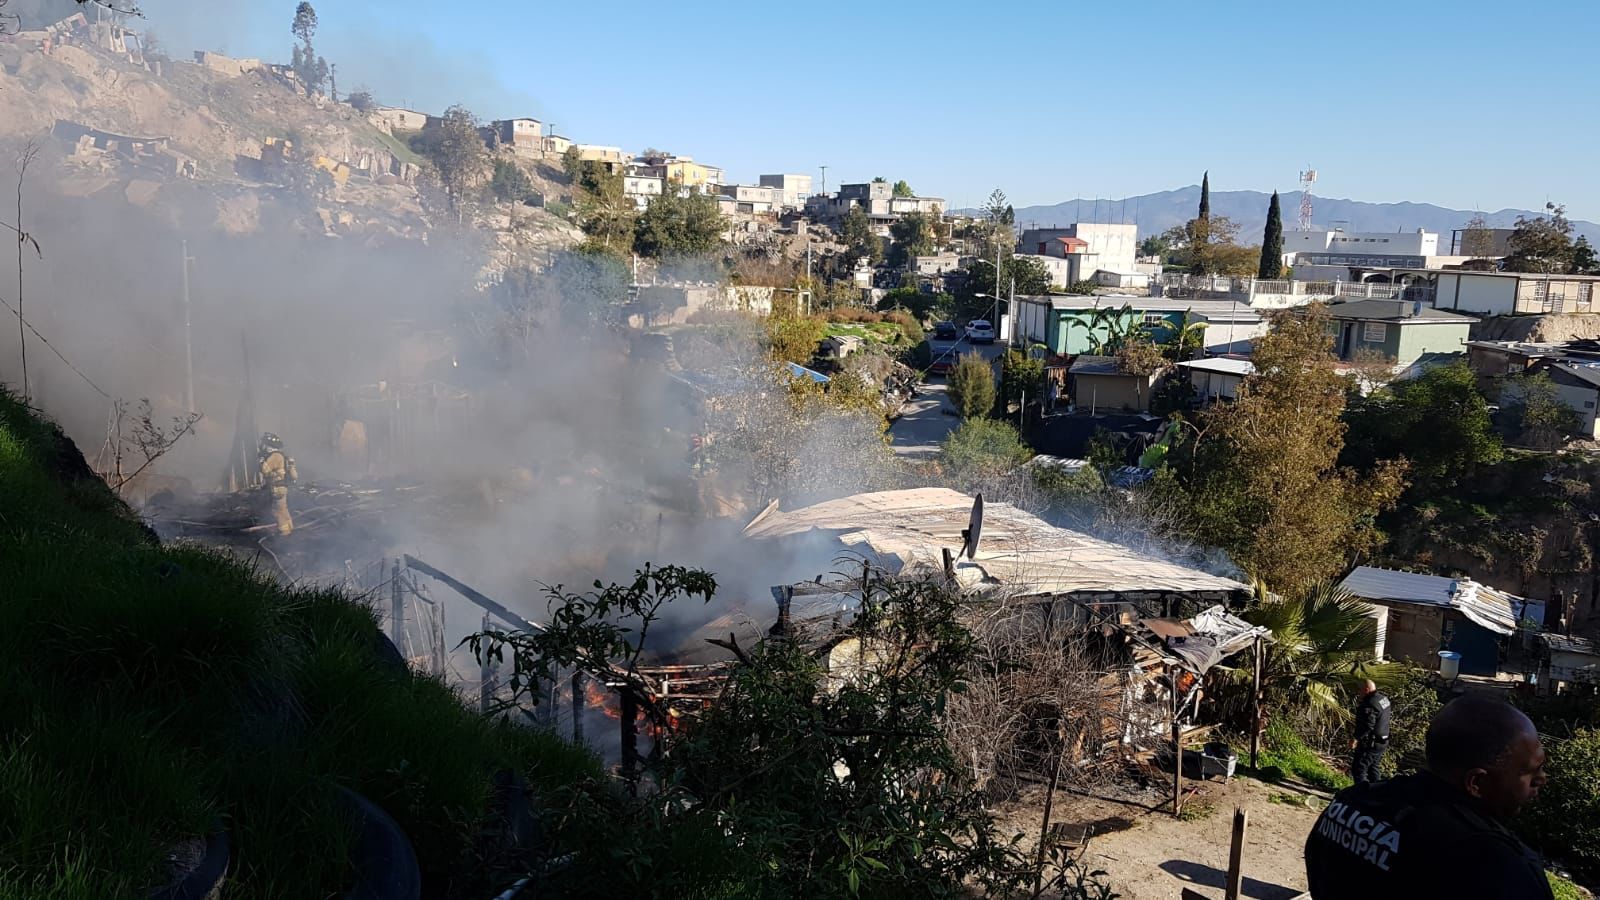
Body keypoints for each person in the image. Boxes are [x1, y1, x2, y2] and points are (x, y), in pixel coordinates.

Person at [1304, 694, 1552, 899]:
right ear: (1476, 782)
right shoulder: (1500, 866)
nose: (1542, 780)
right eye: (1530, 772)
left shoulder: (1350, 804)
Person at [1351, 679, 1393, 786]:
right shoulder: (1383, 699)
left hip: (1371, 743)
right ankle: (1376, 794)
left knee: (1359, 769)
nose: (1358, 693)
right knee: (1373, 769)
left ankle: (1360, 794)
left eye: (1359, 690)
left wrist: (1356, 738)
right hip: (1382, 741)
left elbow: (1367, 725)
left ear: (1366, 690)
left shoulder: (1369, 704)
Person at [257, 432, 298, 535]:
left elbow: (265, 470)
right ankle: (290, 529)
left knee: (277, 511)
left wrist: (261, 461)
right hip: (283, 487)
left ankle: (284, 533)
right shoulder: (282, 455)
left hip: (277, 487)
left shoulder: (274, 456)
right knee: (283, 509)